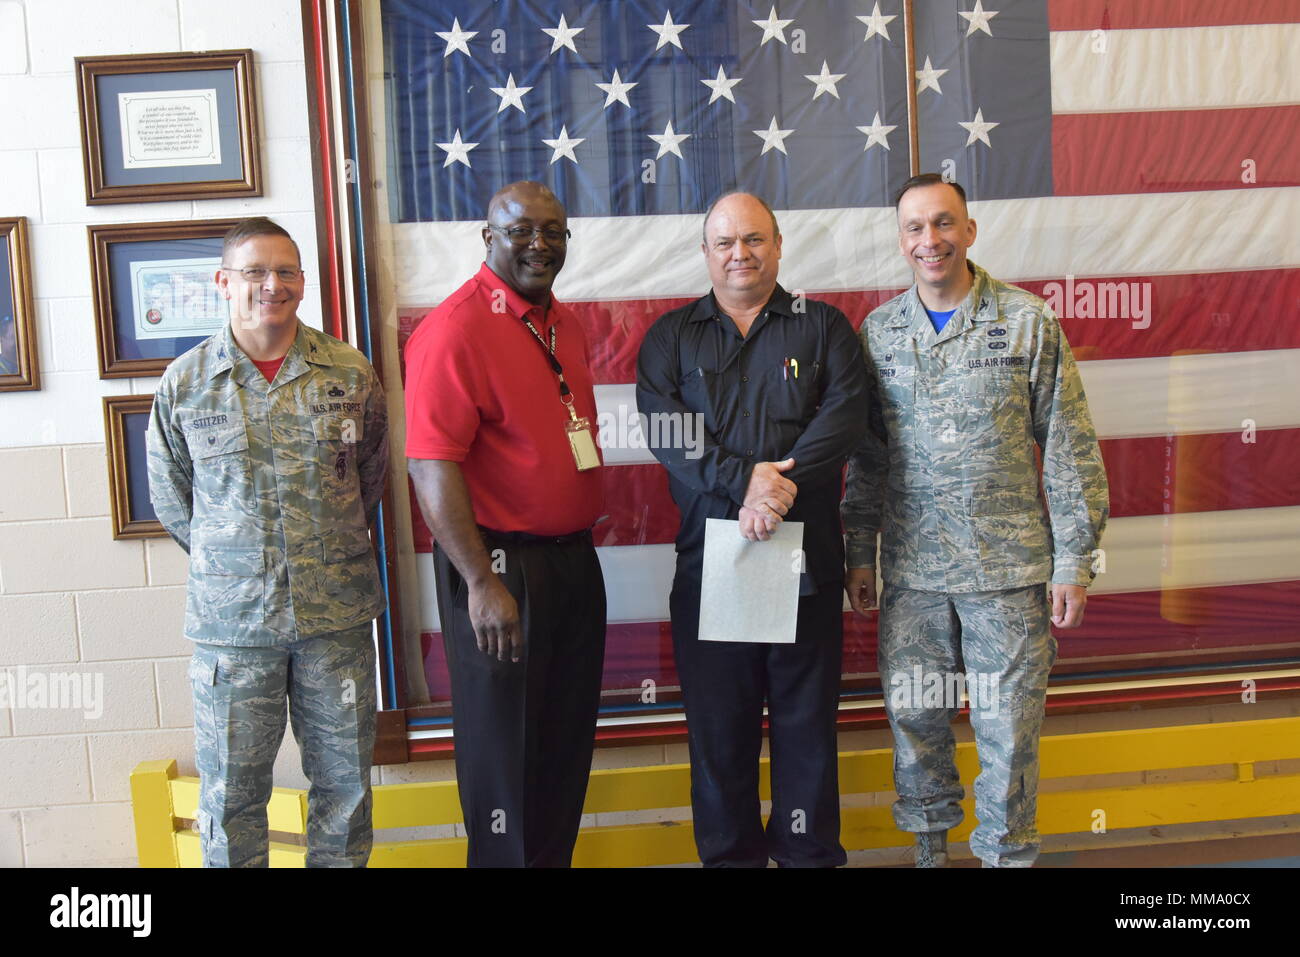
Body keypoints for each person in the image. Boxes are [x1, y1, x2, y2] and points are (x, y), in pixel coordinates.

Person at [841, 174, 1110, 867]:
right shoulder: (879, 333)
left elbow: (1070, 446)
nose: (929, 240)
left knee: (1009, 736)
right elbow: (867, 458)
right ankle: (931, 854)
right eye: (914, 228)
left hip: (1007, 575)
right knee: (917, 724)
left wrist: (1074, 559)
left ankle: (1005, 858)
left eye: (942, 224)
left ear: (969, 230)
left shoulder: (1025, 322)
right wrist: (859, 552)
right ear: (900, 239)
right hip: (913, 576)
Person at [146, 216, 389, 867]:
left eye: (285, 271)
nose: (271, 285)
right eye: (255, 271)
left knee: (345, 790)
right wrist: (236, 559)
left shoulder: (348, 372)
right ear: (224, 281)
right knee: (231, 797)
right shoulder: (188, 384)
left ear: (303, 282)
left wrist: (320, 547)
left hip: (333, 619)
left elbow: (369, 476)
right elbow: (174, 503)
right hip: (233, 625)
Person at [636, 191, 869, 867]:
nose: (741, 253)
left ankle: (807, 856)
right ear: (706, 253)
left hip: (807, 567)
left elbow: (845, 417)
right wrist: (746, 483)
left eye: (755, 239)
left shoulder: (823, 327)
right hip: (713, 569)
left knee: (806, 733)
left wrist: (775, 487)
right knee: (720, 738)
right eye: (726, 242)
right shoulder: (670, 338)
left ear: (778, 244)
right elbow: (667, 430)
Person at [404, 181, 607, 868]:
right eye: (520, 230)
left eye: (553, 231)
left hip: (573, 565)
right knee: (505, 763)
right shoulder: (454, 329)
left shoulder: (564, 324)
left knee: (561, 751)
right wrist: (480, 583)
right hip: (498, 571)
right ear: (486, 237)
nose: (539, 243)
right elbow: (431, 466)